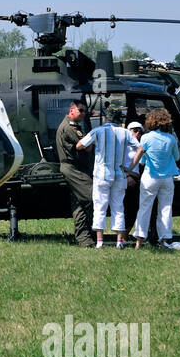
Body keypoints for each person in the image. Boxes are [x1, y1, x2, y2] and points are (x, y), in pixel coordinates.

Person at [129, 108, 180, 250]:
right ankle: (165, 239)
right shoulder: (171, 139)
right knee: (165, 209)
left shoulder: (146, 138)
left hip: (150, 177)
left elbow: (142, 160)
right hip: (167, 179)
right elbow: (177, 157)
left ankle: (139, 241)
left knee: (144, 208)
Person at [76, 112, 134, 248]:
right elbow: (140, 148)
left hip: (101, 175)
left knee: (100, 207)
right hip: (119, 175)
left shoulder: (98, 131)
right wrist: (129, 167)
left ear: (106, 119)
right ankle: (119, 242)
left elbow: (79, 145)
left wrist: (92, 145)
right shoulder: (125, 133)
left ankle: (100, 242)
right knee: (118, 207)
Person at [55, 100, 96, 247]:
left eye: (85, 111)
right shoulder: (69, 128)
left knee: (79, 204)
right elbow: (87, 148)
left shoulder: (74, 126)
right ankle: (86, 235)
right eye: (81, 110)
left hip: (77, 168)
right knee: (91, 197)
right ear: (71, 110)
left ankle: (85, 238)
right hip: (74, 169)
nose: (84, 113)